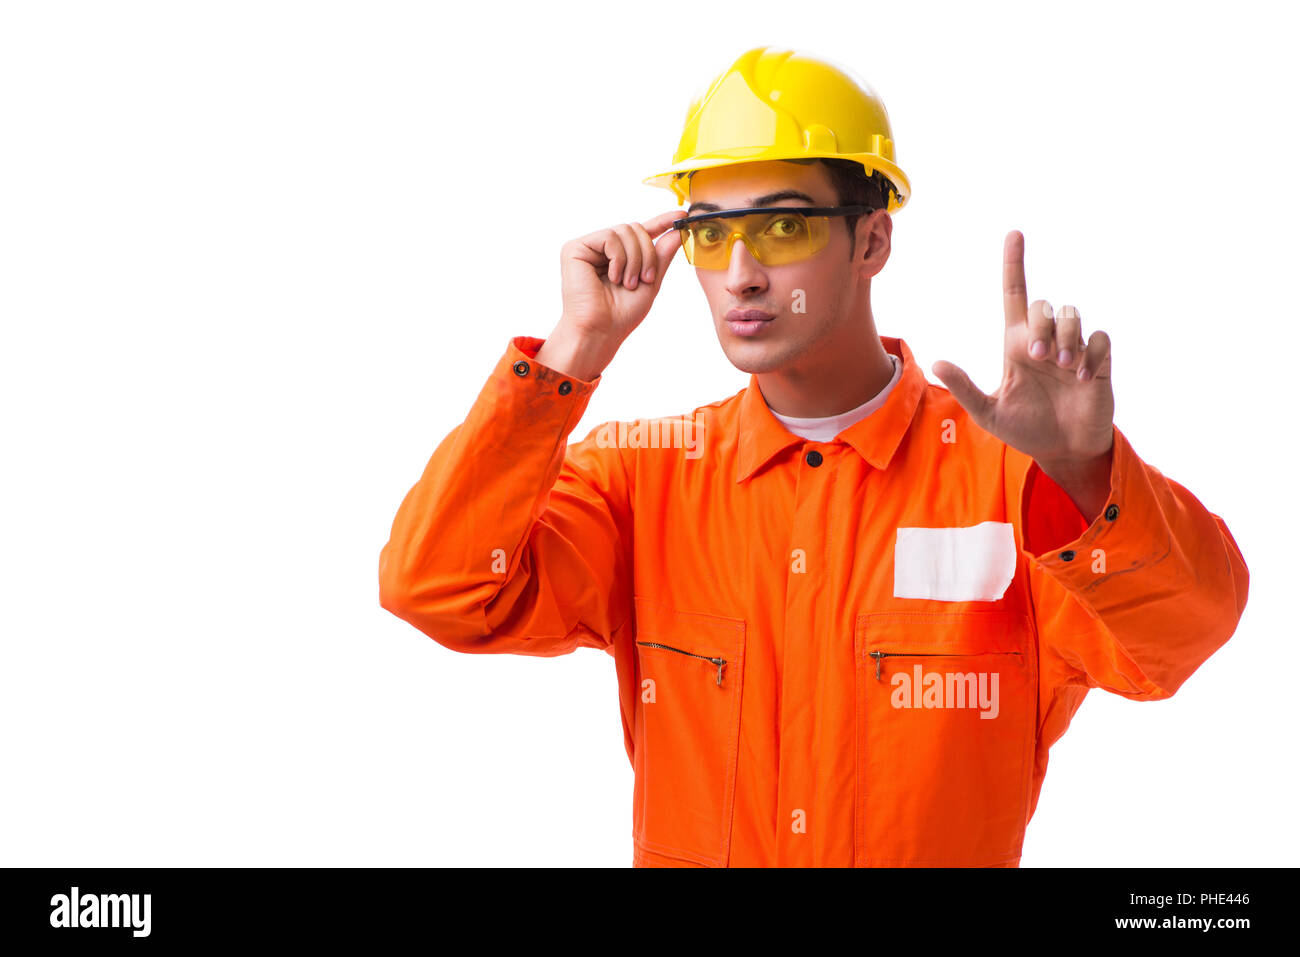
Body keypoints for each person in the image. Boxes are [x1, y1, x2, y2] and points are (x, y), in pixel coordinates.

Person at [377, 46, 1249, 867]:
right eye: (712, 236)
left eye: (783, 227)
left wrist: (1086, 475)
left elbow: (1186, 635)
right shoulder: (642, 478)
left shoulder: (1012, 481)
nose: (741, 273)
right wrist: (573, 351)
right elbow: (438, 588)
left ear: (871, 242)